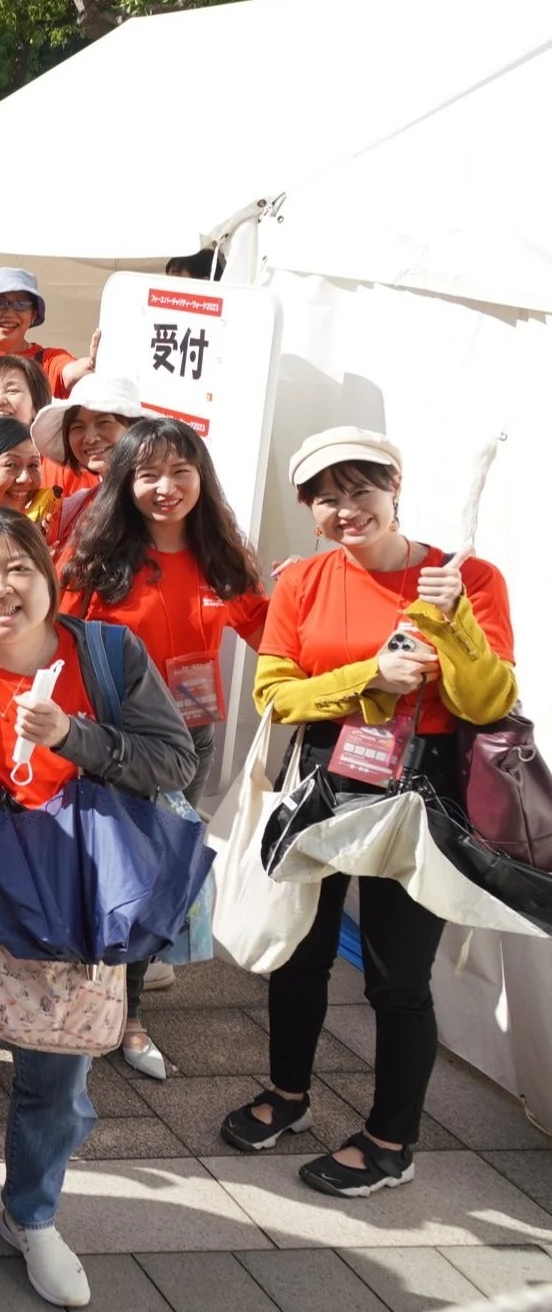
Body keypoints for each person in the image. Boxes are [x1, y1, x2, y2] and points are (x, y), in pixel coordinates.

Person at [0, 509, 198, 1308]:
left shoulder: (109, 654)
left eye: (18, 567)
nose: (0, 588)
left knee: (61, 1072)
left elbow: (173, 758)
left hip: (81, 907)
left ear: (50, 578)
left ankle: (31, 1216)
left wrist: (76, 737)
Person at [223, 427, 516, 1196]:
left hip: (423, 793)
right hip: (325, 777)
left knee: (397, 976)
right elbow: (275, 693)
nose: (345, 508)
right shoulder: (303, 582)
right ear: (309, 510)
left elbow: (489, 700)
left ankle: (391, 1141)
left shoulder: (466, 576)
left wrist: (453, 622)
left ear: (395, 486)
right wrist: (371, 677)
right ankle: (288, 1095)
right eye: (325, 496)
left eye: (360, 489)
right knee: (300, 950)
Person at [57, 416, 266, 1078]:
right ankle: (75, 1001)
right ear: (125, 483)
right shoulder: (92, 561)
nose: (166, 487)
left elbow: (278, 638)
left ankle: (130, 1014)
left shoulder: (225, 559)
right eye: (148, 474)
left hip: (193, 741)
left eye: (181, 471)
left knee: (154, 881)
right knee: (97, 876)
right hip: (113, 740)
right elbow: (59, 648)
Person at [30, 371, 145, 543]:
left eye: (104, 423)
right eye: (78, 427)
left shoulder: (151, 502)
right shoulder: (76, 505)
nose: (90, 438)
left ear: (134, 427)